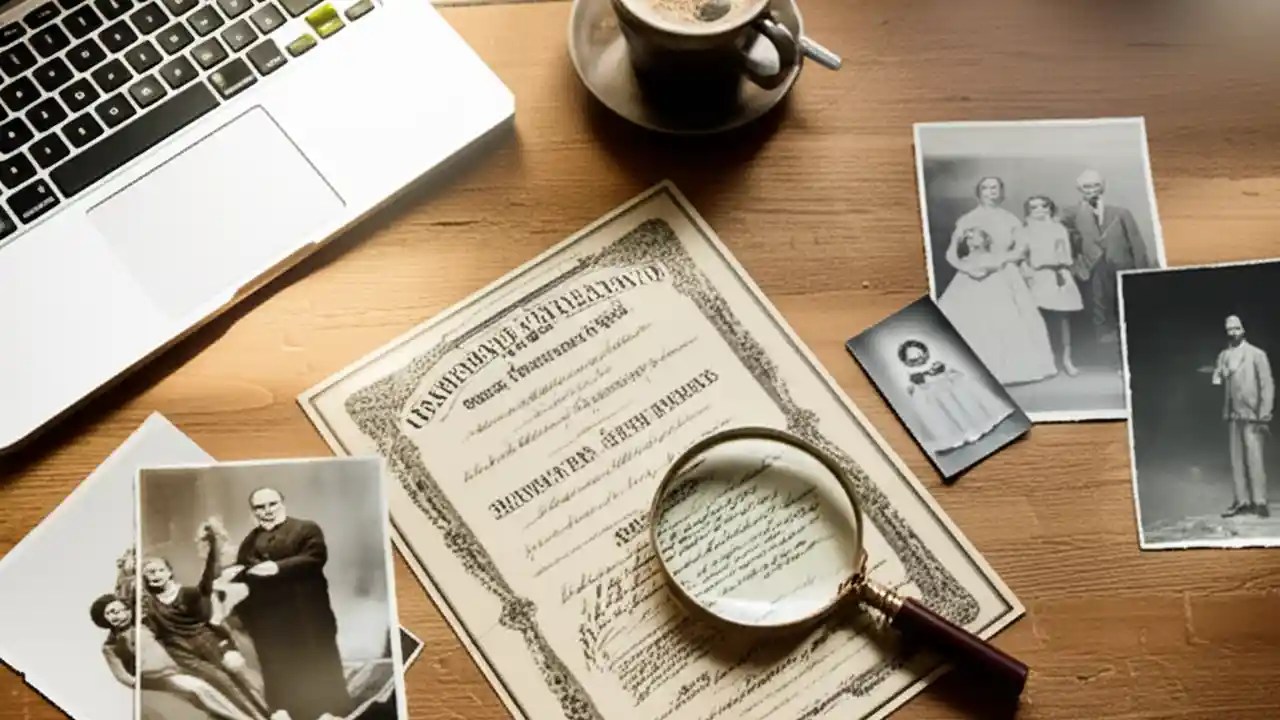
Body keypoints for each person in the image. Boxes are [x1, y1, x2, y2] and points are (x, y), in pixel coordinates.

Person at [232, 487, 352, 720]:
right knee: (277, 660)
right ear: (253, 510)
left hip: (307, 612)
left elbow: (315, 558)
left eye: (272, 504)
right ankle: (284, 708)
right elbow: (245, 570)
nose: (267, 511)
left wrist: (278, 567)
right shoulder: (250, 540)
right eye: (260, 507)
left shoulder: (306, 528)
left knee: (318, 657)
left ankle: (332, 709)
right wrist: (233, 575)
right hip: (271, 616)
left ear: (282, 503)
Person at [936, 176, 1057, 385]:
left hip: (1004, 273)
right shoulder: (967, 219)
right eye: (985, 188)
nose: (990, 192)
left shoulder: (1010, 219)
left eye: (995, 188)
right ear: (979, 192)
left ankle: (1012, 370)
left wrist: (997, 261)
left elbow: (1020, 249)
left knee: (1009, 317)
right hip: (972, 276)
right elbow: (951, 254)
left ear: (1001, 192)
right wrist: (968, 268)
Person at [141, 538, 271, 720]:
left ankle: (267, 716)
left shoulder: (188, 593)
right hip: (182, 653)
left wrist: (212, 551)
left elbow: (207, 582)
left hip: (207, 642)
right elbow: (154, 632)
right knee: (220, 684)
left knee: (241, 681)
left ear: (169, 572)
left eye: (160, 570)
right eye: (150, 572)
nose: (156, 575)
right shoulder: (149, 605)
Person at [90, 593, 258, 720]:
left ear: (127, 610)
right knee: (200, 689)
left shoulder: (145, 624)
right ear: (104, 619)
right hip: (160, 677)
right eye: (110, 613)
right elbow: (121, 675)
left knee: (209, 692)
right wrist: (142, 681)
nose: (117, 615)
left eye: (119, 610)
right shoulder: (110, 646)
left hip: (181, 665)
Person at [1060, 169, 1152, 347]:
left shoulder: (1121, 212)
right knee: (1097, 307)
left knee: (1125, 303)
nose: (1091, 190)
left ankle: (1133, 343)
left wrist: (1141, 272)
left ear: (1102, 187)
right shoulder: (1070, 213)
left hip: (1121, 263)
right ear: (1079, 189)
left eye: (1095, 185)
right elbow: (1063, 240)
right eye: (1086, 186)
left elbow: (1137, 243)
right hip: (1091, 266)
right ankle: (1103, 349)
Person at [898, 339, 1013, 453]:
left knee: (962, 397)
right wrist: (918, 385)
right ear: (907, 361)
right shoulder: (910, 373)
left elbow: (951, 370)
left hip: (948, 388)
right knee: (940, 411)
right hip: (934, 396)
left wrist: (947, 373)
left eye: (921, 355)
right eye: (914, 359)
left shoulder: (935, 362)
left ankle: (977, 426)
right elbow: (913, 388)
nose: (919, 360)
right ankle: (958, 435)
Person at [1212, 315, 1273, 518]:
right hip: (1233, 414)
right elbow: (1217, 379)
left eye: (1236, 328)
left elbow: (1267, 385)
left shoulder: (1257, 355)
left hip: (1253, 415)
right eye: (1229, 329)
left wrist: (1264, 414)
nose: (1233, 332)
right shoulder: (1224, 355)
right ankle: (1242, 501)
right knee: (1236, 460)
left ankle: (1260, 502)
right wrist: (1218, 374)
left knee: (1254, 459)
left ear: (1244, 329)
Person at [1016, 195, 1083, 376]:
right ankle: (1044, 362)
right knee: (1037, 320)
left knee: (1062, 319)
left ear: (1050, 209)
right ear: (1028, 212)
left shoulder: (1059, 229)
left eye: (1043, 207)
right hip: (1036, 277)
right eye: (1034, 208)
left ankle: (1067, 360)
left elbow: (1066, 255)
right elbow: (1021, 257)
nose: (1039, 211)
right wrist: (1027, 274)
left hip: (1057, 275)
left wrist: (1062, 271)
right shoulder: (1024, 231)